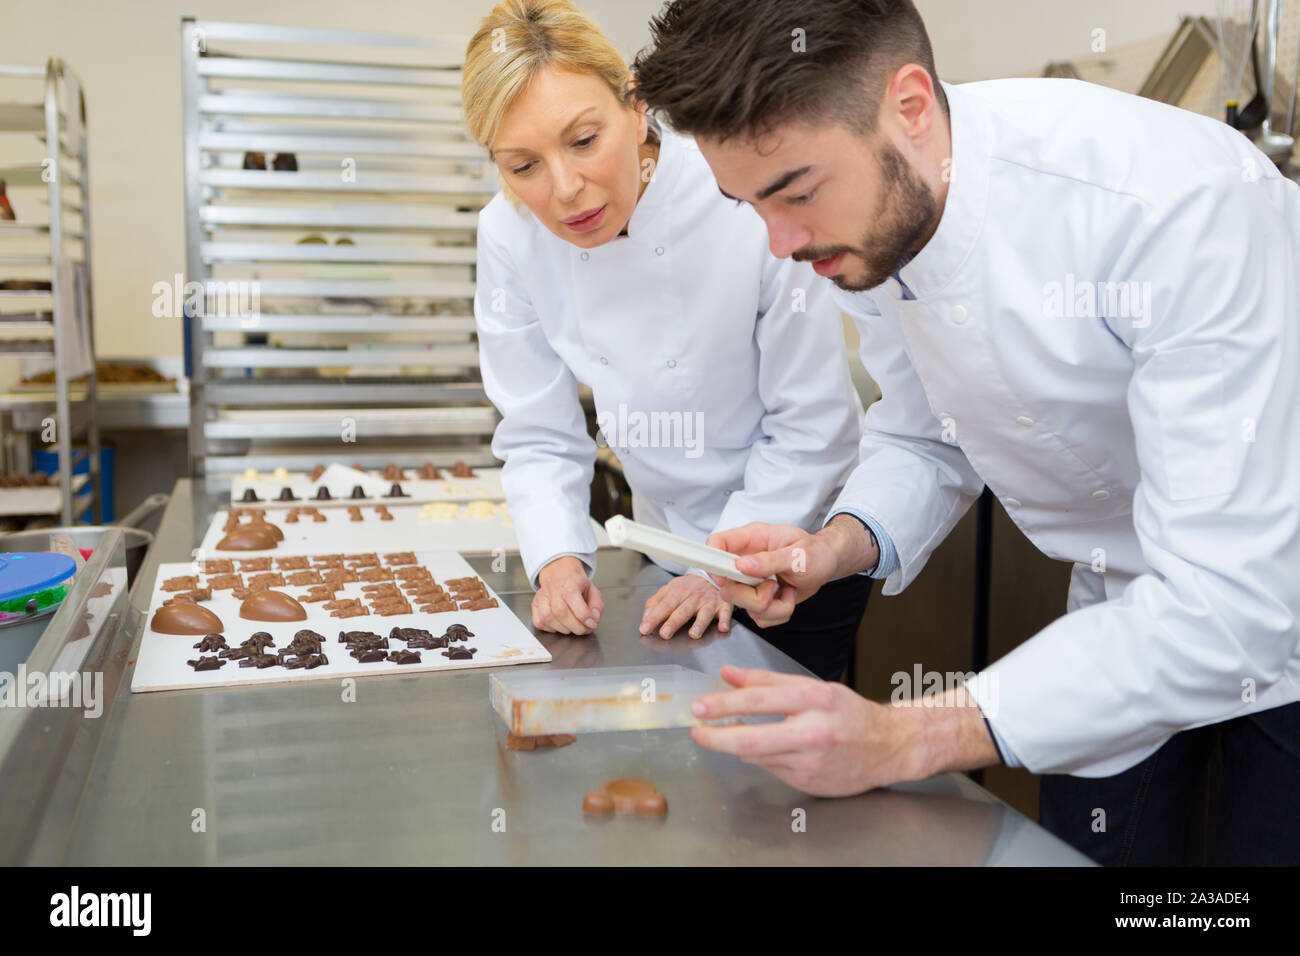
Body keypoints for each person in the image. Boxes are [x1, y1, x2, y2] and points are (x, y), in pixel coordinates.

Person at [632, 0, 1300, 865]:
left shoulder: (1174, 206)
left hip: (1266, 607)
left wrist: (908, 735)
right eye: (747, 204)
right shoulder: (871, 225)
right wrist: (835, 546)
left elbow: (1230, 605)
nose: (781, 241)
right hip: (1116, 613)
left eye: (797, 192)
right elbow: (924, 431)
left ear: (909, 106)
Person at [460, 0, 871, 680]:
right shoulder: (508, 237)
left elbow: (812, 423)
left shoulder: (735, 188)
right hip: (667, 547)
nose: (565, 190)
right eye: (522, 165)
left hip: (793, 546)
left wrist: (723, 572)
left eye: (584, 140)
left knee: (779, 772)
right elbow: (538, 431)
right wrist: (559, 560)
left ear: (635, 103)